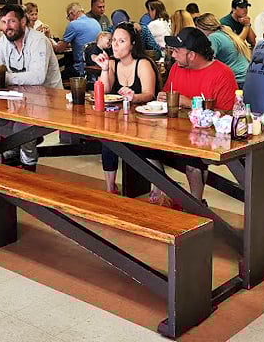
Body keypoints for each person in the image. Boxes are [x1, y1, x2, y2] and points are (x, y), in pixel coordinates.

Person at [0, 4, 63, 171]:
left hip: (50, 102)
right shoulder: (5, 40)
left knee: (21, 126)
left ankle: (28, 164)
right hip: (20, 101)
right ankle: (21, 141)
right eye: (4, 22)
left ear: (23, 21)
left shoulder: (39, 41)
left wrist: (3, 78)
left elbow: (38, 77)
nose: (7, 27)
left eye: (11, 21)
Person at [157, 27, 238, 203]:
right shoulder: (177, 68)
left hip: (204, 138)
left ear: (192, 55)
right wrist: (162, 97)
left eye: (177, 51)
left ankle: (195, 206)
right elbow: (167, 94)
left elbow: (227, 114)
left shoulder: (223, 74)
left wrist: (188, 102)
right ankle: (162, 195)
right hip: (173, 132)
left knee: (192, 163)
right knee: (142, 151)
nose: (173, 55)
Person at [93, 22, 157, 193]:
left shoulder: (143, 64)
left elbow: (150, 94)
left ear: (133, 44)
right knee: (108, 139)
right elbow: (105, 91)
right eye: (113, 40)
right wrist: (105, 69)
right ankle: (110, 188)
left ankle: (156, 187)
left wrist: (134, 96)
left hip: (144, 121)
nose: (115, 44)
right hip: (119, 119)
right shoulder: (112, 63)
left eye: (121, 41)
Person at [194, 12, 251, 87]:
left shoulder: (213, 37)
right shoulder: (224, 33)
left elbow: (207, 61)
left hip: (237, 80)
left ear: (203, 28)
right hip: (246, 78)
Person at [56, 3, 101, 76]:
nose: (69, 20)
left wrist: (48, 40)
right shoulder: (95, 22)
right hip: (96, 66)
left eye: (68, 17)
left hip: (81, 68)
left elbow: (59, 49)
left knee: (57, 76)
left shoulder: (73, 24)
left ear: (71, 13)